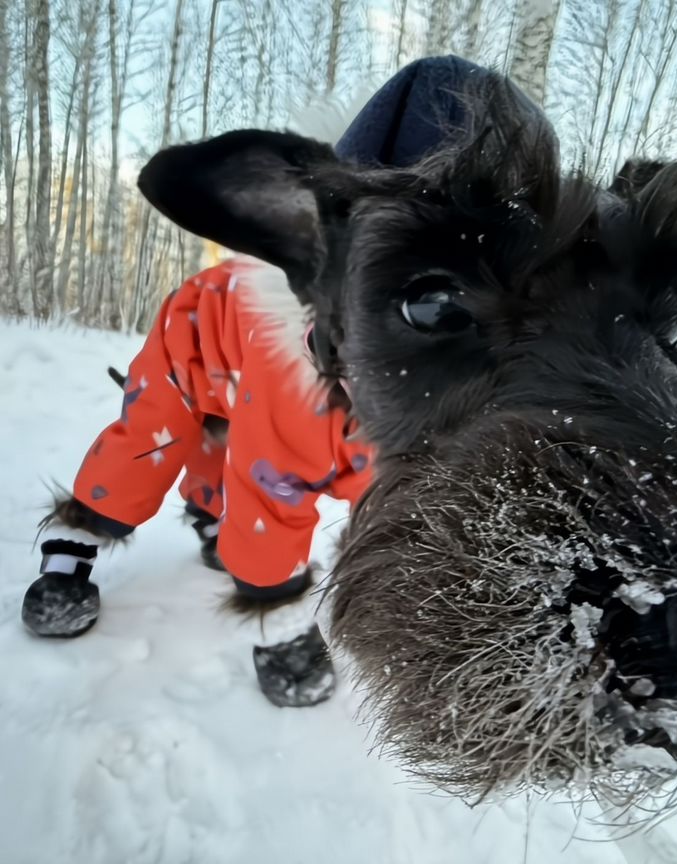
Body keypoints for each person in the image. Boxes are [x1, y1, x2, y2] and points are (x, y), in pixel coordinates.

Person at [21, 55, 499, 707]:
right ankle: (74, 547)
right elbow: (270, 485)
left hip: (388, 380)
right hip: (207, 336)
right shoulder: (294, 358)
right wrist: (279, 609)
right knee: (158, 436)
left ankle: (208, 517)